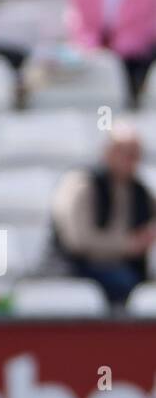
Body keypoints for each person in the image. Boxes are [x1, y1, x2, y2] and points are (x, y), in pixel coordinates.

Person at [50, 122, 154, 304]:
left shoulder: (141, 192)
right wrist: (129, 245)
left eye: (136, 154)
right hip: (76, 268)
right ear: (108, 152)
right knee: (122, 281)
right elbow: (78, 241)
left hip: (127, 270)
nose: (132, 160)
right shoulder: (81, 184)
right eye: (126, 153)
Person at [65, 0, 156, 100]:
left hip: (133, 56)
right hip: (90, 52)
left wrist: (120, 47)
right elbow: (78, 20)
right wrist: (94, 49)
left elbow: (148, 25)